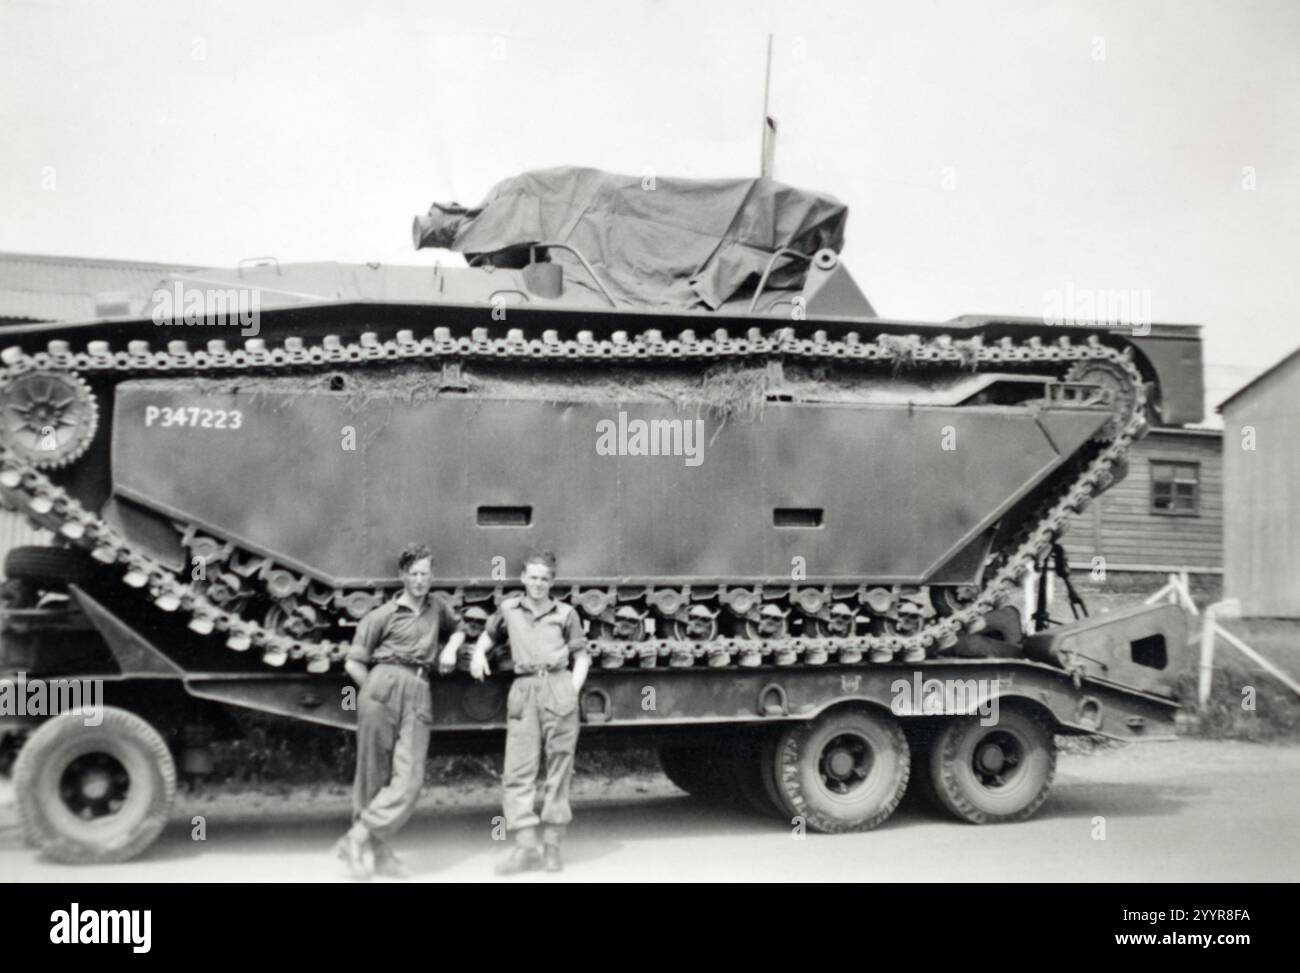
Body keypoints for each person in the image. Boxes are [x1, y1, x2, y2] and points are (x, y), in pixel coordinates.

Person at [333, 542, 464, 880]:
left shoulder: (439, 609)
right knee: (373, 774)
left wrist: (451, 646)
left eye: (425, 573)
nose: (420, 580)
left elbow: (460, 629)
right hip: (381, 685)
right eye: (414, 574)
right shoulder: (380, 616)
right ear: (402, 576)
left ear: (431, 576)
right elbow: (353, 663)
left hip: (420, 688)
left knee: (409, 777)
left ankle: (357, 838)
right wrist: (377, 692)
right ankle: (380, 856)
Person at [469, 549, 590, 874]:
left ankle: (552, 845)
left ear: (552, 582)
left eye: (544, 579)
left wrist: (570, 690)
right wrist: (479, 654)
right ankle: (525, 847)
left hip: (557, 685)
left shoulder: (566, 613)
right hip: (524, 689)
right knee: (517, 771)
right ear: (523, 579)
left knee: (559, 770)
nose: (537, 584)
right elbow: (489, 635)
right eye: (532, 578)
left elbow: (582, 656)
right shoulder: (509, 608)